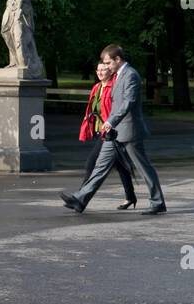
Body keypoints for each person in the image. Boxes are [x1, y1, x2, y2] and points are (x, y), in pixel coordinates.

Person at [61, 45, 166, 215]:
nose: (107, 67)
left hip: (129, 131)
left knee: (143, 167)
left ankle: (158, 202)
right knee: (99, 167)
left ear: (118, 59)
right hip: (115, 133)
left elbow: (128, 103)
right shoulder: (118, 75)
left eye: (109, 63)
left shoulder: (131, 75)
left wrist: (111, 120)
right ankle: (80, 200)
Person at [78, 57, 136, 210]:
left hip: (111, 132)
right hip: (101, 131)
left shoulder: (113, 87)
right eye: (98, 70)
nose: (100, 72)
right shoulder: (97, 87)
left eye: (103, 69)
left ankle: (80, 198)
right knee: (121, 166)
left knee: (91, 164)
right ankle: (130, 197)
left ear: (110, 71)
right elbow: (92, 110)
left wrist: (111, 124)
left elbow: (116, 109)